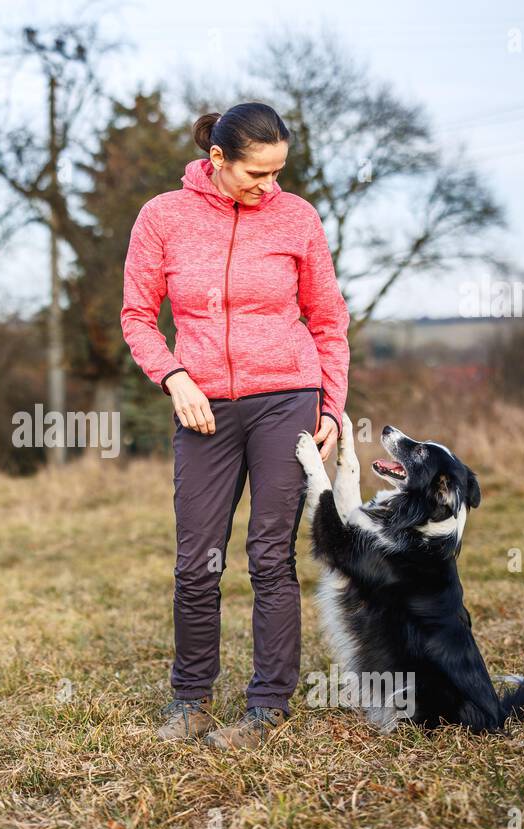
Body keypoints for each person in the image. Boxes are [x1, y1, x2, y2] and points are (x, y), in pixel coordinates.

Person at [120, 102, 351, 749]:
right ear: (216, 159)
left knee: (269, 557)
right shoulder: (163, 217)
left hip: (287, 398)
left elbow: (329, 320)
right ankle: (190, 701)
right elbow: (137, 315)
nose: (269, 186)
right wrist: (174, 376)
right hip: (204, 407)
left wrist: (330, 406)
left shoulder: (297, 218)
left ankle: (266, 708)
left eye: (279, 172)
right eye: (257, 173)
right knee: (196, 562)